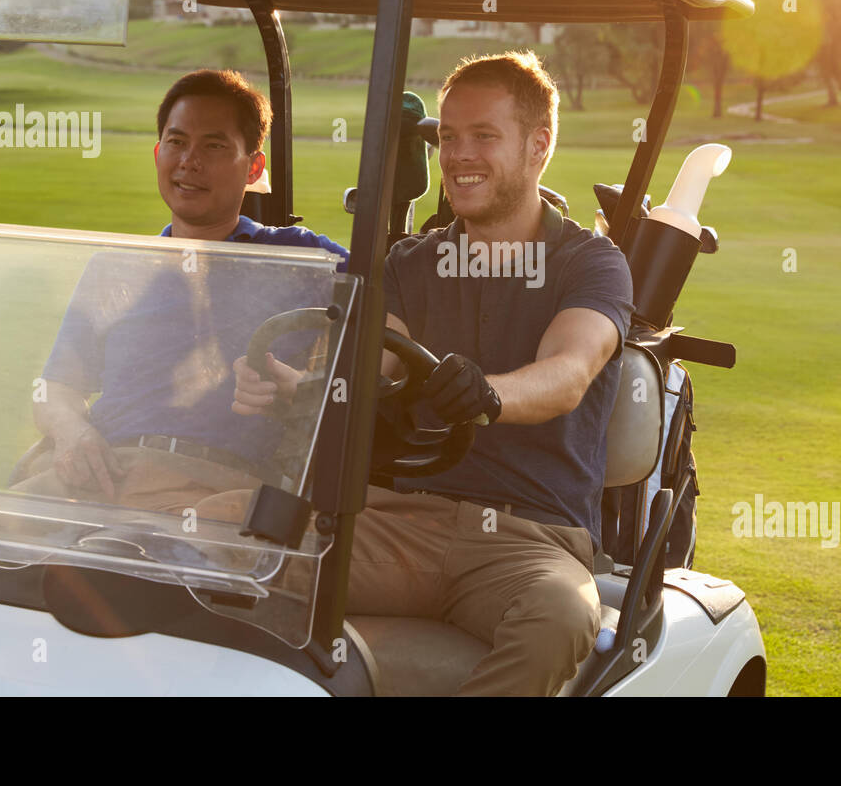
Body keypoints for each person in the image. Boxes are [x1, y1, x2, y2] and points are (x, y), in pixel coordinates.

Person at [234, 51, 635, 695]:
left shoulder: (589, 263)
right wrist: (299, 388)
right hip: (397, 520)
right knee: (227, 545)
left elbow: (568, 372)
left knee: (560, 618)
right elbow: (374, 364)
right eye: (448, 137)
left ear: (540, 145)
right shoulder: (409, 264)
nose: (458, 155)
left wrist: (489, 394)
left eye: (483, 136)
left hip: (526, 539)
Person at [10, 69, 347, 518]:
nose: (190, 161)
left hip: (211, 491)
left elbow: (391, 308)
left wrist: (306, 389)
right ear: (157, 153)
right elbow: (55, 388)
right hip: (100, 475)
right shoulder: (117, 267)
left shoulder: (303, 258)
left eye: (214, 145)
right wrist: (72, 430)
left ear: (253, 167)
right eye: (176, 142)